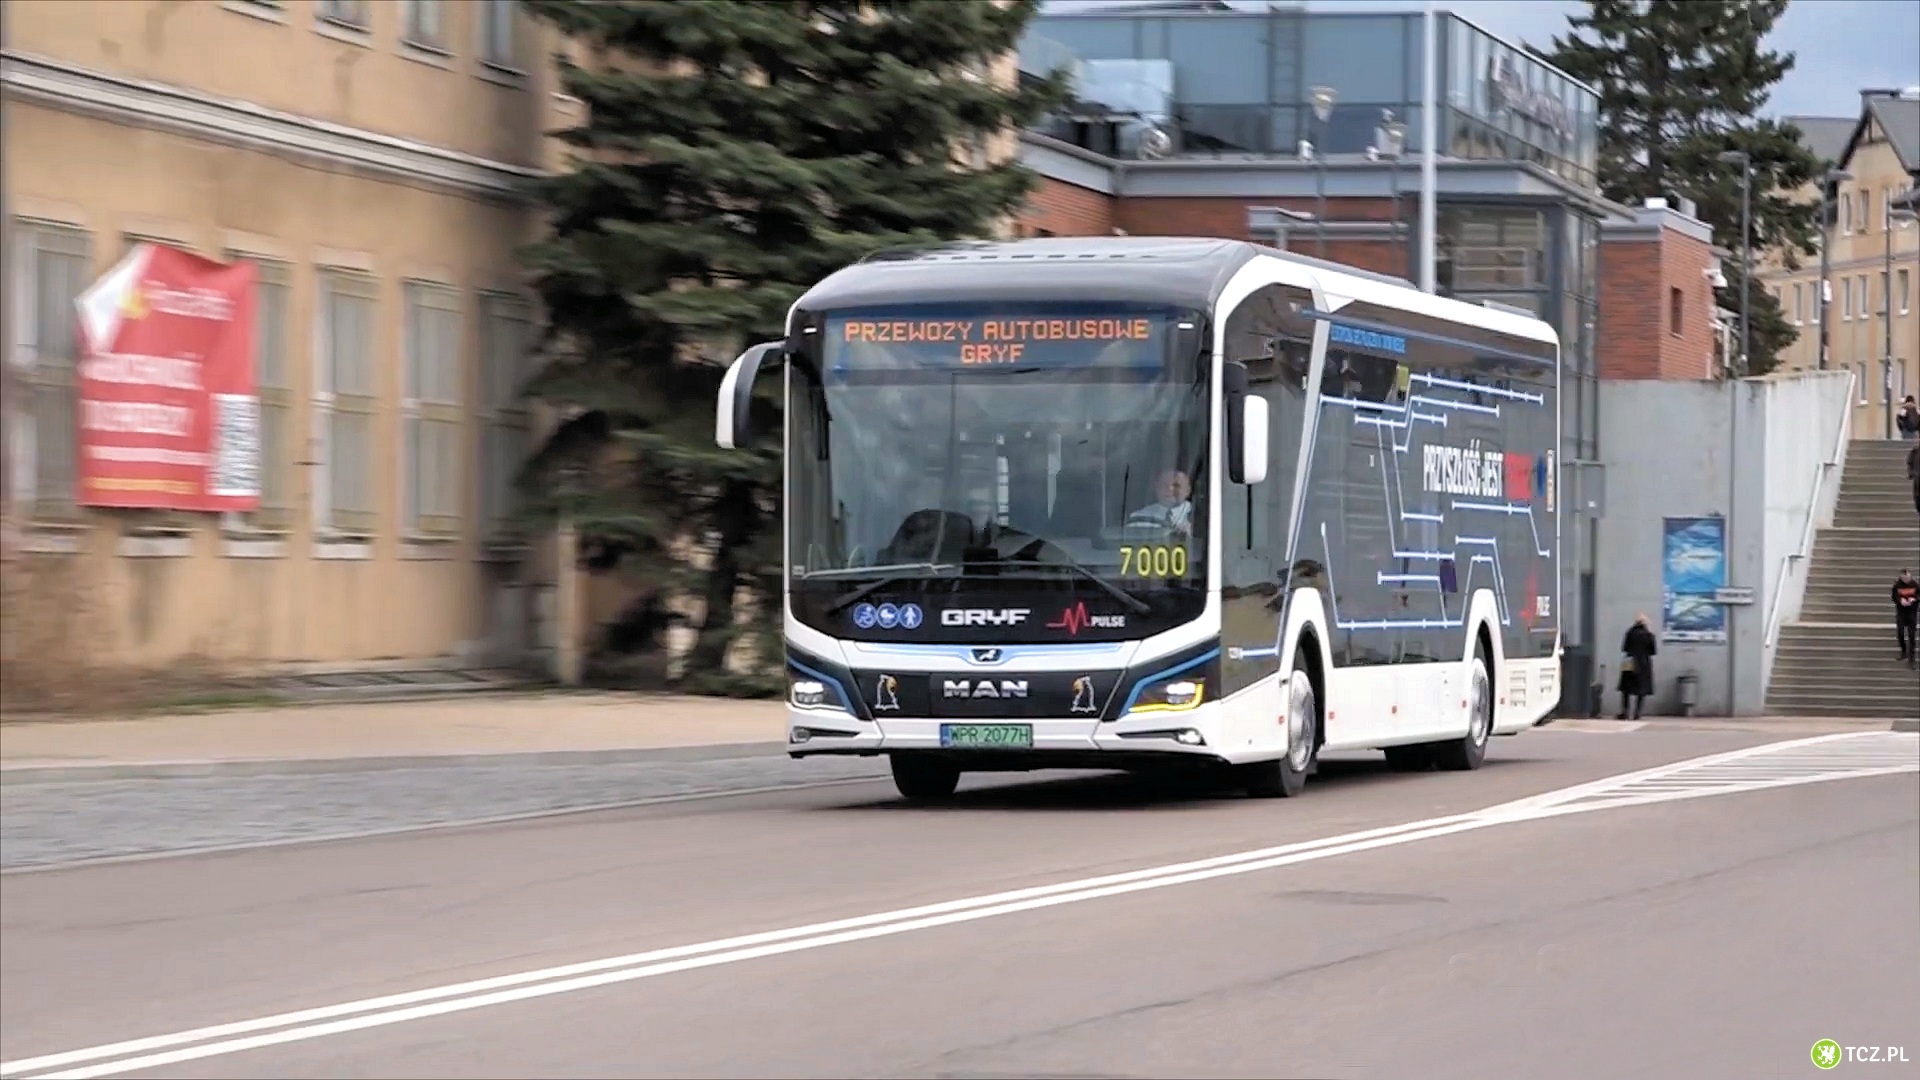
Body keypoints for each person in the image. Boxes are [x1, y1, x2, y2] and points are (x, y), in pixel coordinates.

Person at [1126, 468, 1194, 539]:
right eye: (1164, 484)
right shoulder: (1138, 519)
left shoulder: (1199, 516)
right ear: (1157, 488)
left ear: (1188, 491)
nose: (1169, 489)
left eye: (1176, 485)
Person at [1616, 613, 1657, 719]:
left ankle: (1625, 712)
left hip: (1629, 661)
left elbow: (1624, 648)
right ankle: (1637, 713)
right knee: (1641, 689)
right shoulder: (1649, 635)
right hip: (1643, 663)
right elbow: (1653, 651)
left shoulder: (1630, 632)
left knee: (1626, 689)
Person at [1895, 569, 1919, 667]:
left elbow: (1919, 595)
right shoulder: (1897, 586)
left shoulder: (1915, 585)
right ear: (1901, 577)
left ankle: (1912, 658)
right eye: (1905, 578)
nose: (1906, 580)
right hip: (1901, 612)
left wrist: (1914, 599)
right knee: (1900, 632)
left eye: (1908, 578)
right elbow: (1894, 596)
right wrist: (1900, 600)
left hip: (1912, 613)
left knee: (1911, 635)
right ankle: (1904, 651)